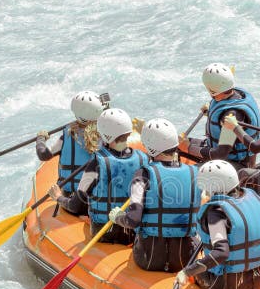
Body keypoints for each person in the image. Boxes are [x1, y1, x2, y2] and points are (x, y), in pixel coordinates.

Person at [108, 118, 200, 272]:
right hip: (185, 259)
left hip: (149, 259)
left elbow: (133, 220)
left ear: (149, 148)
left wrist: (117, 217)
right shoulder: (195, 173)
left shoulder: (142, 175)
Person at [175, 160, 260, 289]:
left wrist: (186, 272)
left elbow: (221, 253)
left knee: (193, 267)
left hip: (230, 288)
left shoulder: (216, 213)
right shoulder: (253, 196)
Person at [49, 108, 148, 244]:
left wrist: (58, 197)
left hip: (104, 234)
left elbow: (75, 206)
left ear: (104, 135)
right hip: (132, 234)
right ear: (129, 132)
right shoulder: (144, 159)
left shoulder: (97, 163)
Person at [178, 63, 260, 170]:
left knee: (184, 151)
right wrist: (211, 110)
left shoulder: (231, 116)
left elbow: (220, 154)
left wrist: (188, 148)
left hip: (236, 164)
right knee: (174, 143)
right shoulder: (236, 93)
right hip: (220, 151)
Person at [36, 91, 108, 194]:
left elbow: (44, 155)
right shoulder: (106, 135)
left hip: (69, 196)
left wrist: (40, 139)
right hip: (97, 196)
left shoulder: (67, 135)